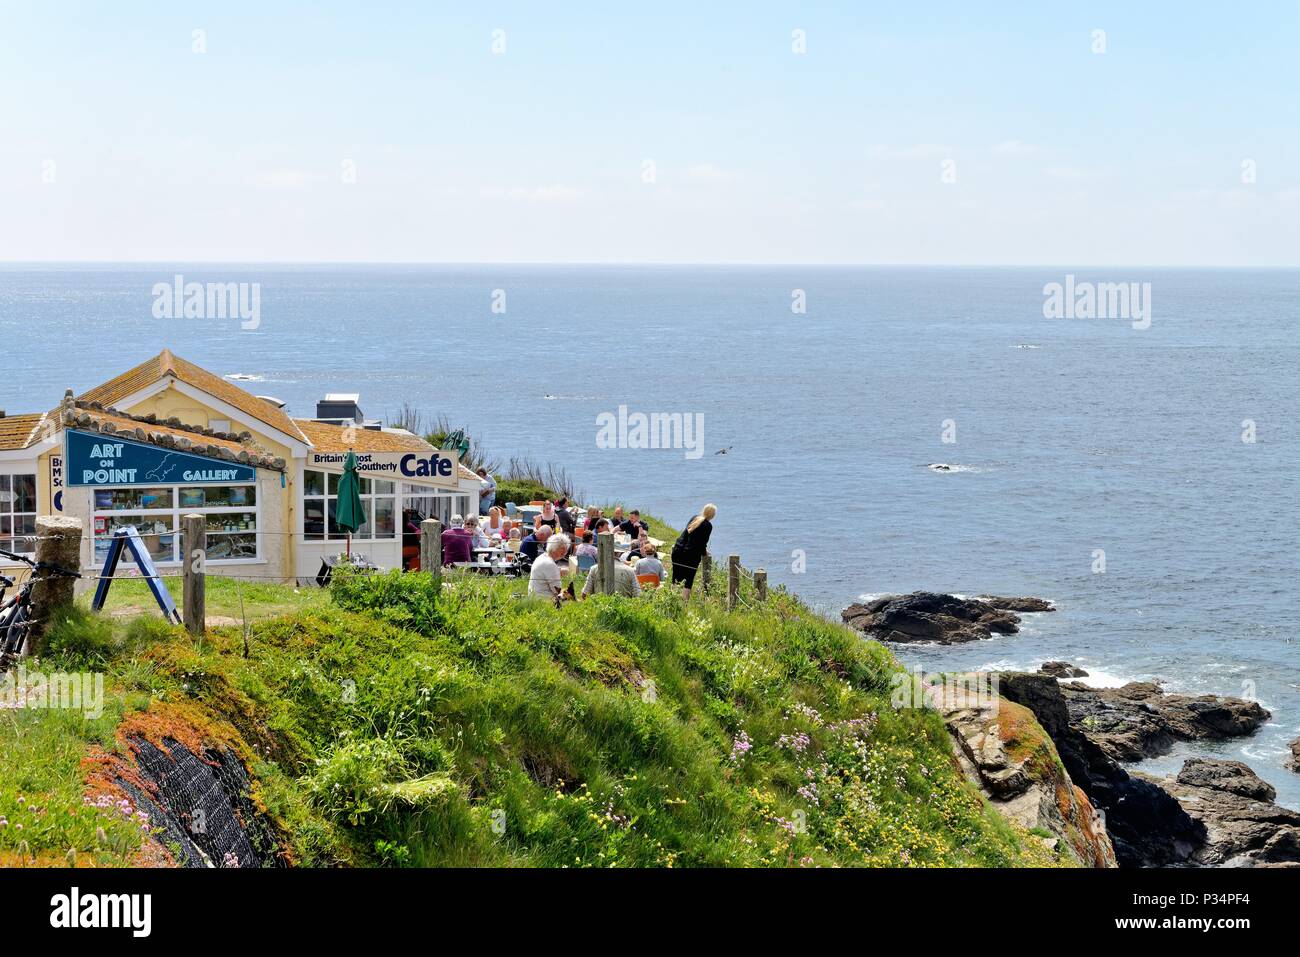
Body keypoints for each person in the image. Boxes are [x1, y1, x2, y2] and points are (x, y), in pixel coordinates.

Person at [670, 503, 715, 601]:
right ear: (712, 515)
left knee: (675, 578)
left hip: (678, 550)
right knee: (688, 581)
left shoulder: (695, 518)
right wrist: (704, 553)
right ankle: (684, 604)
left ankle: (671, 600)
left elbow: (691, 537)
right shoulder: (708, 525)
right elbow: (702, 542)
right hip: (690, 556)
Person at [529, 533, 570, 603]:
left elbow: (548, 572)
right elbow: (558, 591)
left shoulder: (542, 557)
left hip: (534, 597)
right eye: (563, 548)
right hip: (544, 602)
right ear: (554, 548)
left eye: (566, 548)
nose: (565, 552)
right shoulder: (550, 565)